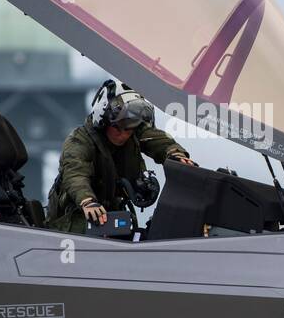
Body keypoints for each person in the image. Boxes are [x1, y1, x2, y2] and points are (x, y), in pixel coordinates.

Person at [46, 80, 196, 233]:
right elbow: (75, 174)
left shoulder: (133, 131)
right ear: (104, 121)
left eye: (129, 129)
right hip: (73, 222)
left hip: (112, 215)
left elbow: (158, 140)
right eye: (119, 127)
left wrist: (175, 154)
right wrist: (87, 201)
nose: (124, 134)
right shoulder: (79, 141)